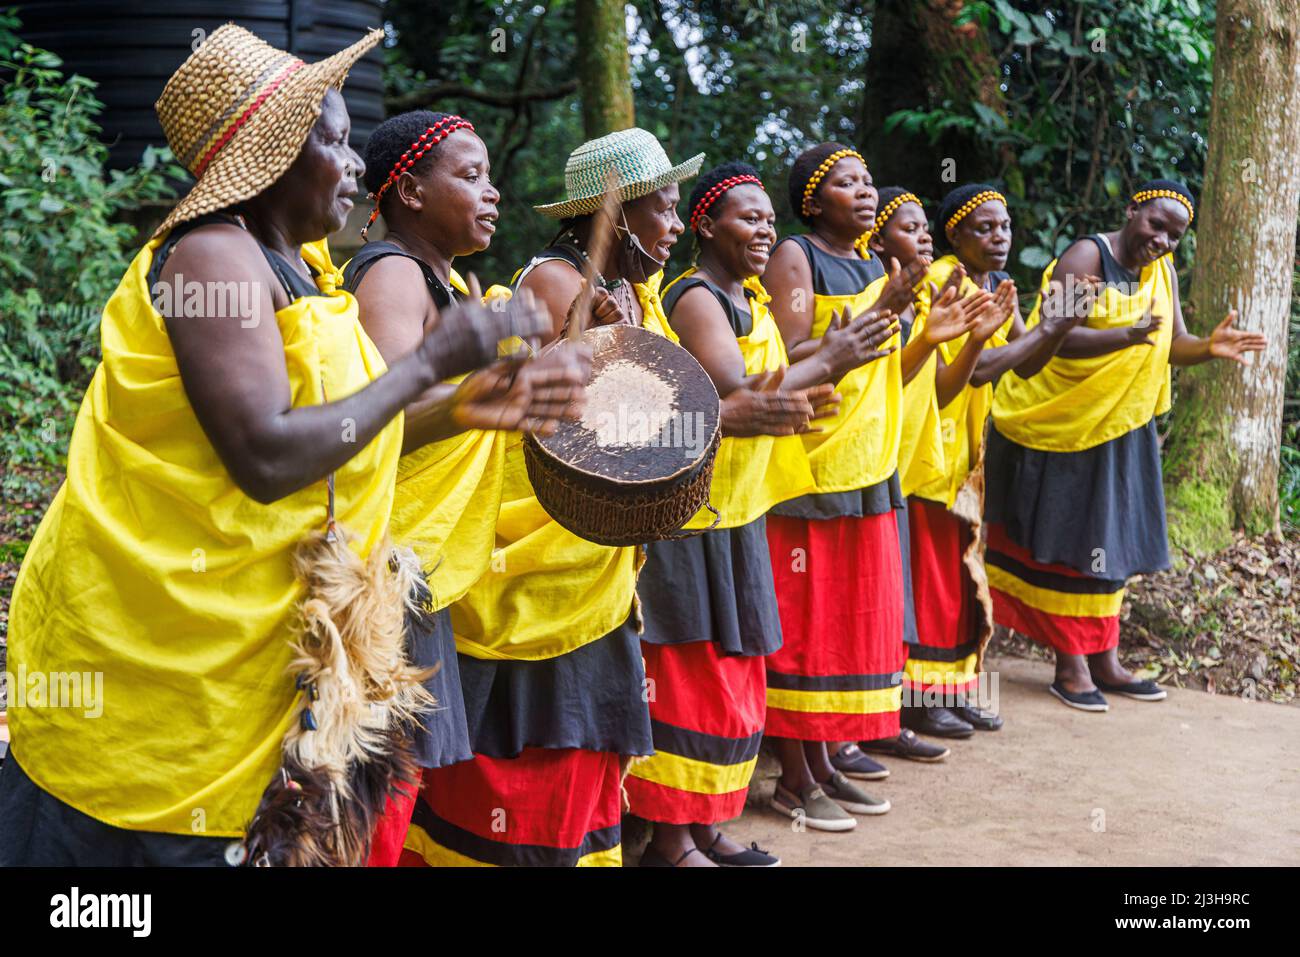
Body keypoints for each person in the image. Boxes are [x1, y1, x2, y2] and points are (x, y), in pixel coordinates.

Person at [0, 26, 564, 866]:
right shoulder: (212, 258)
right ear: (269, 157)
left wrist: (477, 397)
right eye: (332, 142)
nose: (356, 166)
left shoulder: (300, 269)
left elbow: (349, 427)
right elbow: (265, 454)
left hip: (254, 651)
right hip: (162, 652)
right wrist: (430, 363)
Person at [395, 128, 704, 866]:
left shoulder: (625, 290)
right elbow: (579, 425)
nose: (675, 224)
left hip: (583, 553)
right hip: (535, 551)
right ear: (617, 215)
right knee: (538, 737)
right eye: (661, 207)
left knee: (580, 729)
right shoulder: (555, 281)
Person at [342, 110, 590, 864]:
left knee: (394, 783)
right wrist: (482, 393)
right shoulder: (391, 271)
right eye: (471, 175)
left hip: (424, 568)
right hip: (385, 569)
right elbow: (379, 414)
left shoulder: (446, 286)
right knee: (368, 787)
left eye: (490, 176)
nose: (493, 193)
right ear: (409, 190)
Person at [627, 161, 884, 865]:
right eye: (748, 217)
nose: (765, 228)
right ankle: (670, 839)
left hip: (740, 511)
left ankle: (707, 822)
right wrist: (829, 357)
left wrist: (809, 391)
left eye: (770, 218)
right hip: (689, 516)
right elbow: (733, 395)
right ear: (705, 226)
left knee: (736, 670)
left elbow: (769, 394)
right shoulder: (695, 296)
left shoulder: (748, 298)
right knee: (688, 672)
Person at [984, 180, 1266, 711]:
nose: (1161, 241)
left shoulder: (1161, 272)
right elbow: (1051, 334)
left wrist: (1207, 347)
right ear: (1133, 209)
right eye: (1155, 225)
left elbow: (1171, 343)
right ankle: (1069, 665)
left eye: (1174, 236)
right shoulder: (1086, 255)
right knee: (1073, 539)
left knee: (1108, 540)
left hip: (1123, 422)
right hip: (1064, 422)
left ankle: (1104, 657)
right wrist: (1126, 336)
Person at [859, 183, 1075, 755]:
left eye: (1004, 227)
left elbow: (1026, 364)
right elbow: (974, 372)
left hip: (967, 456)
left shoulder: (992, 286)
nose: (998, 237)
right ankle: (918, 698)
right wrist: (1047, 330)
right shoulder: (939, 281)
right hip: (928, 446)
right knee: (928, 575)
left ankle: (950, 690)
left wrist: (1056, 322)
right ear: (956, 235)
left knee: (956, 574)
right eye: (984, 228)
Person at [759, 142, 921, 830]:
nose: (864, 191)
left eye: (868, 180)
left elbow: (890, 367)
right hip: (812, 464)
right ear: (812, 201)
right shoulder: (797, 256)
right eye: (845, 182)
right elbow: (786, 351)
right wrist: (880, 305)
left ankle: (823, 760)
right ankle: (793, 778)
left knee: (844, 625)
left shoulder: (876, 261)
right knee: (806, 621)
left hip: (869, 466)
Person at [866, 187, 1016, 747]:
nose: (923, 236)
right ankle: (909, 704)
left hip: (939, 451)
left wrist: (982, 338)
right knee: (918, 583)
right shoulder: (891, 294)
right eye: (911, 227)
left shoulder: (943, 293)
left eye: (925, 226)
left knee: (946, 580)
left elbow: (951, 381)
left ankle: (942, 694)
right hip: (897, 459)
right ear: (877, 240)